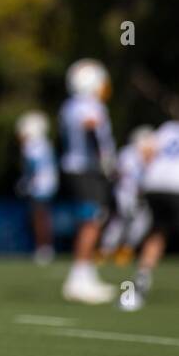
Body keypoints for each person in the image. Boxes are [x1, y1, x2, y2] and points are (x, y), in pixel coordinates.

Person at [58, 58, 118, 304]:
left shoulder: (72, 105)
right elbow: (90, 126)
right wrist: (103, 158)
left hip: (80, 169)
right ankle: (79, 277)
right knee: (91, 221)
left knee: (92, 220)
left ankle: (85, 274)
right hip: (86, 169)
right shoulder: (87, 105)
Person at [125, 120, 175, 311]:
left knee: (157, 233)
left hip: (154, 185)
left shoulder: (167, 128)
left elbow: (146, 152)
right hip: (175, 186)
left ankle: (136, 287)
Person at [100, 126, 153, 267]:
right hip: (126, 193)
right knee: (122, 221)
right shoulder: (129, 153)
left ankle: (123, 250)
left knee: (138, 221)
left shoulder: (139, 154)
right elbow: (121, 174)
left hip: (136, 193)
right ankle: (108, 250)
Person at [16, 110, 58, 265]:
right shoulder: (44, 143)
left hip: (39, 186)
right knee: (44, 217)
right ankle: (45, 248)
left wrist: (25, 182)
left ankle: (43, 248)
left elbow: (32, 166)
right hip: (47, 184)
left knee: (39, 218)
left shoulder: (32, 145)